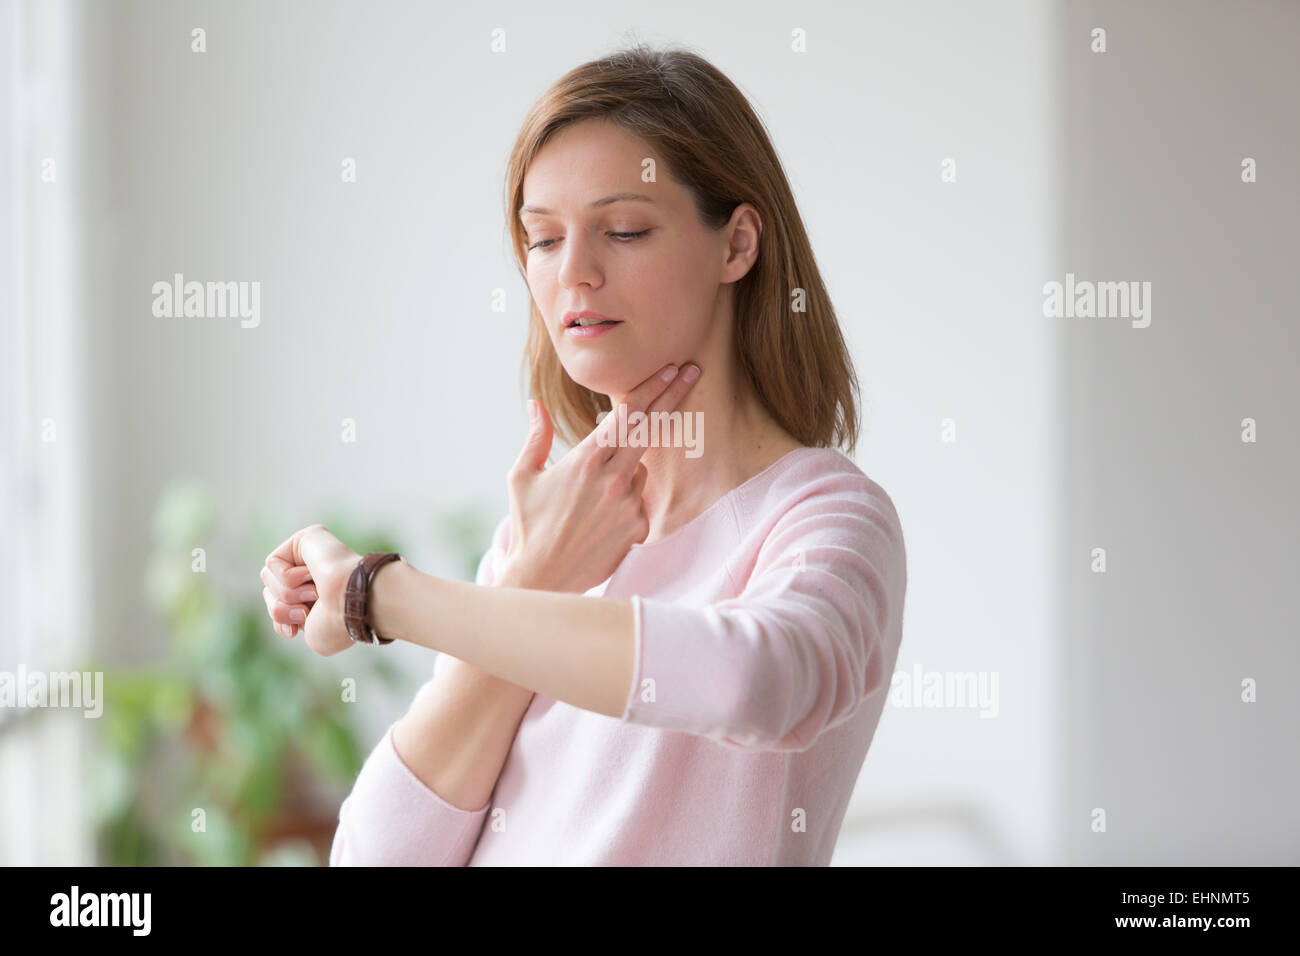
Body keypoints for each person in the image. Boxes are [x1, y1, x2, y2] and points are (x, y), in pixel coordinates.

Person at [259, 42, 907, 866]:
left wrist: (375, 595)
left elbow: (755, 683)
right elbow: (378, 858)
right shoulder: (554, 531)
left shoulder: (825, 516)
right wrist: (534, 576)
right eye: (542, 240)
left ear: (738, 245)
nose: (576, 274)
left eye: (624, 230)